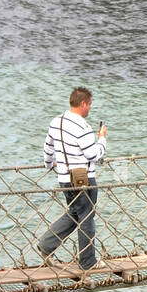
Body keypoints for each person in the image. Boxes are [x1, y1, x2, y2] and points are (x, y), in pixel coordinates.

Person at [37, 87, 107, 273]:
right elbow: (92, 154)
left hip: (64, 179)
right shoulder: (82, 127)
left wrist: (48, 164)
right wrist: (102, 140)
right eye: (89, 104)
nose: (89, 109)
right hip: (84, 179)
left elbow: (48, 147)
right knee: (86, 217)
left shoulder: (56, 122)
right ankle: (87, 261)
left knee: (76, 212)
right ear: (83, 103)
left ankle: (46, 244)